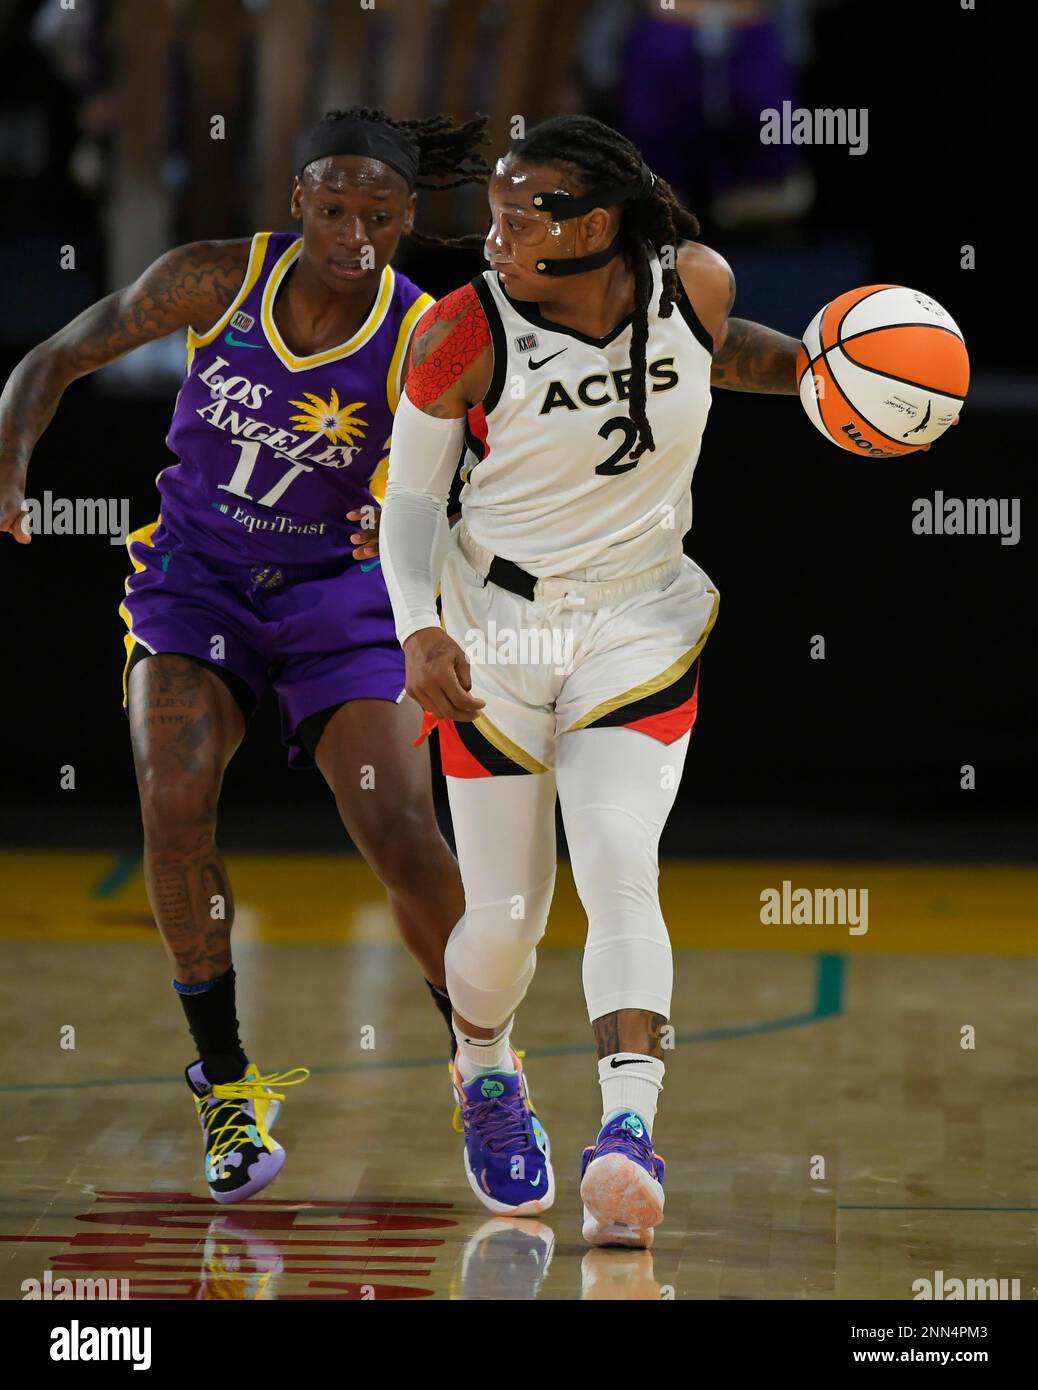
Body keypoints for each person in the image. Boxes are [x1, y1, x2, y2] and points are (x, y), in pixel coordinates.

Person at [0, 106, 489, 1204]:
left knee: (404, 830)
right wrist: (10, 463)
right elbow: (59, 354)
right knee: (172, 795)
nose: (353, 230)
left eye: (379, 213)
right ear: (298, 202)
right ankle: (226, 1085)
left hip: (340, 596)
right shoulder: (215, 279)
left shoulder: (430, 335)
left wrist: (431, 536)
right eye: (334, 206)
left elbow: (498, 469)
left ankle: (483, 1068)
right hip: (197, 581)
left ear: (409, 220)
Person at [379, 113, 807, 1244]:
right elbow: (413, 505)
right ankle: (482, 1063)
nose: (497, 228)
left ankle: (627, 1133)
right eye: (496, 205)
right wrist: (417, 629)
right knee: (508, 922)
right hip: (497, 628)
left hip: (637, 620)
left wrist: (832, 384)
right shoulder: (463, 331)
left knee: (621, 859)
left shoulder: (695, 283)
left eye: (527, 212)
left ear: (598, 225)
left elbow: (725, 351)